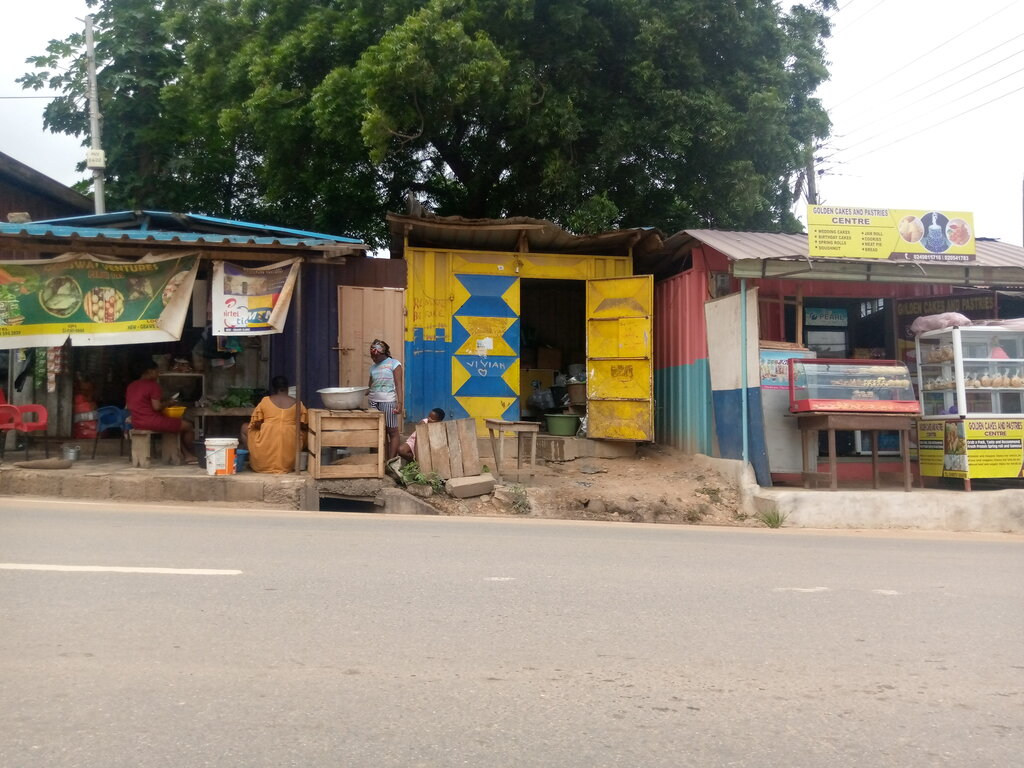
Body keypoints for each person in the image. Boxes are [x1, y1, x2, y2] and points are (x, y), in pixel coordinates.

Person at [125, 363, 197, 463]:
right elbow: (157, 406)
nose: (158, 374)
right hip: (152, 421)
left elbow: (139, 402)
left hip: (136, 421)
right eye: (157, 371)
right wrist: (169, 403)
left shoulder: (131, 386)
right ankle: (194, 453)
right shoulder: (153, 385)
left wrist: (163, 400)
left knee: (175, 428)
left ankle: (187, 455)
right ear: (150, 371)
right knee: (188, 426)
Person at [240, 375, 307, 474]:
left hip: (263, 452)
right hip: (288, 458)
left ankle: (254, 458)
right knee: (304, 434)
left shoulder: (265, 401)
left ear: (273, 388)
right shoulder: (298, 403)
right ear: (287, 388)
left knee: (244, 427)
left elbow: (255, 424)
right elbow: (304, 425)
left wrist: (268, 426)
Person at [367, 339, 404, 459]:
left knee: (392, 431)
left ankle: (391, 461)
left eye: (375, 356)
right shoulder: (372, 368)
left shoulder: (394, 364)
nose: (374, 359)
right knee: (379, 432)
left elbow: (398, 384)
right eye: (372, 356)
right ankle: (380, 460)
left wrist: (400, 403)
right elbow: (370, 385)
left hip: (388, 401)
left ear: (382, 353)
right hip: (373, 401)